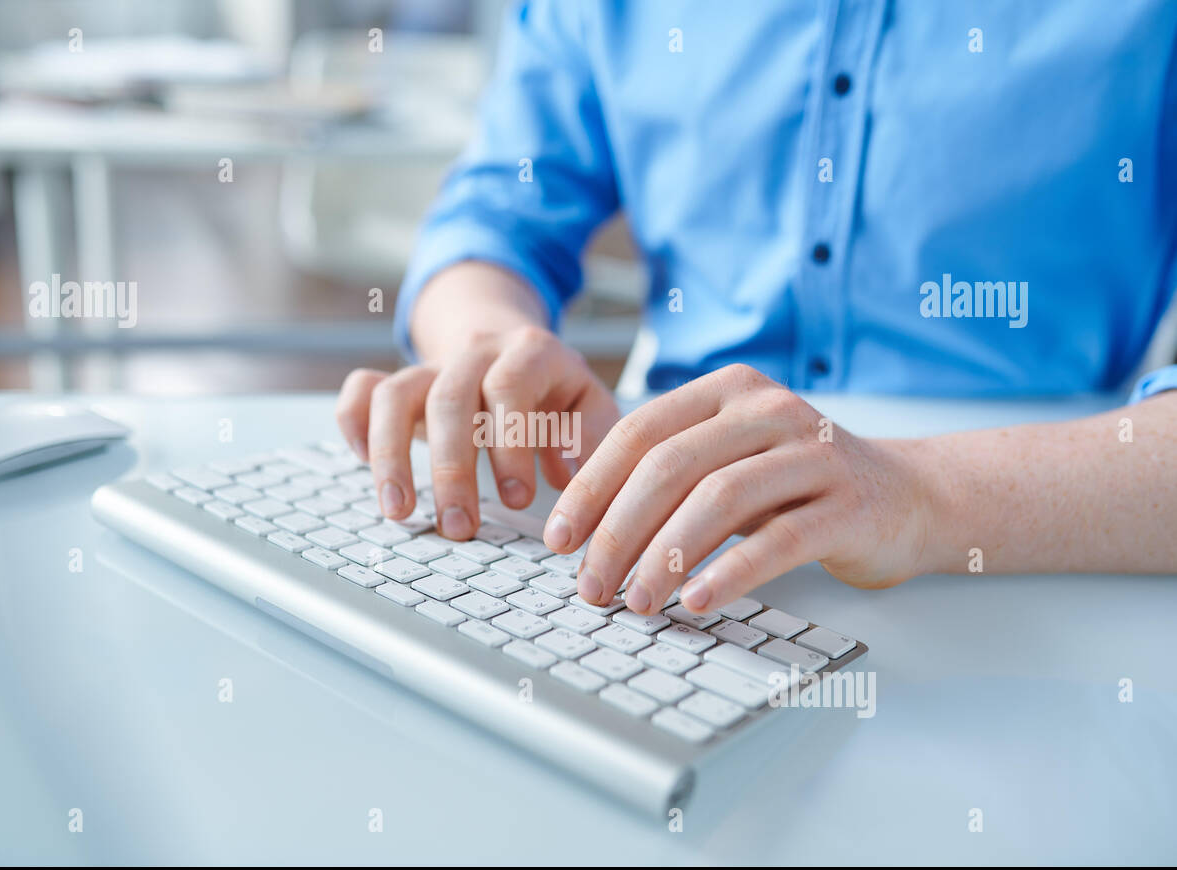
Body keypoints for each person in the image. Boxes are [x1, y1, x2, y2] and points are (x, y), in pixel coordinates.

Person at [336, 0, 1177, 617]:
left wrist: (919, 493)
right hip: (658, 530)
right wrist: (490, 341)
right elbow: (494, 215)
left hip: (1027, 558)